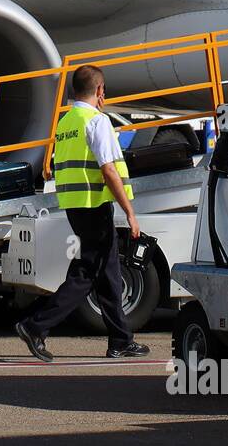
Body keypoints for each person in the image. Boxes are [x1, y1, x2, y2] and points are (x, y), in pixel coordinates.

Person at [14, 64, 149, 362]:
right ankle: (35, 326)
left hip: (75, 204)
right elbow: (109, 169)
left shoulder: (66, 123)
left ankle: (120, 340)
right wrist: (130, 212)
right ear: (100, 91)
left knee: (108, 271)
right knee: (88, 272)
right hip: (94, 205)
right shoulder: (96, 121)